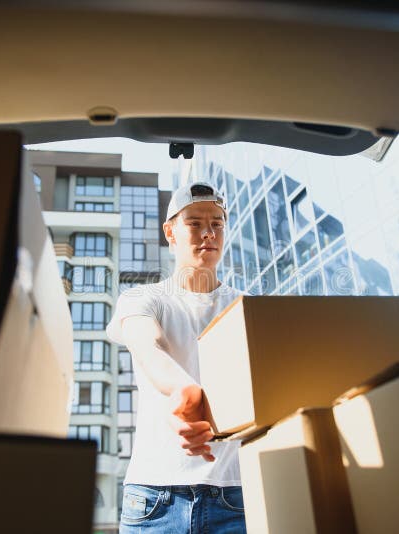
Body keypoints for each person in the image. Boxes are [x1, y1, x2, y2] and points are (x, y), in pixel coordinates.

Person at [106, 181, 247, 533]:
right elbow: (147, 344)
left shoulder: (246, 307)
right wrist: (184, 390)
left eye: (216, 223)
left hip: (235, 494)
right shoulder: (143, 298)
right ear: (170, 232)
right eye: (195, 223)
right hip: (154, 499)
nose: (208, 233)